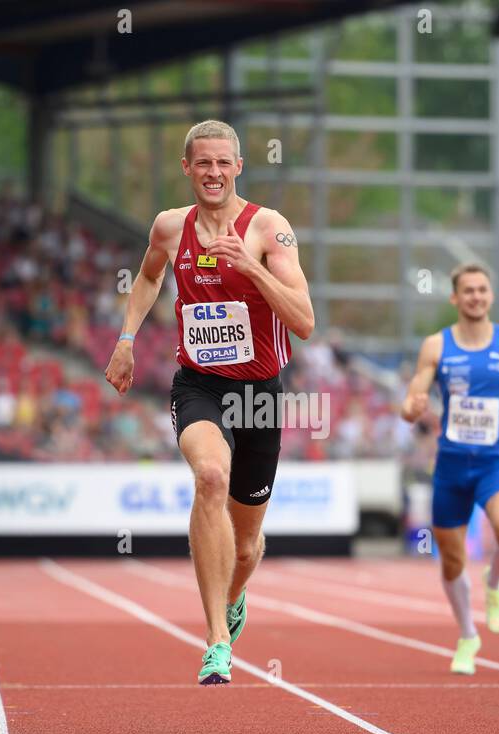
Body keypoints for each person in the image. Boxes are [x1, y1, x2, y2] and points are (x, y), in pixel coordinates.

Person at [104, 119, 314, 685]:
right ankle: (217, 638)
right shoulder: (170, 228)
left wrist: (251, 269)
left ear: (239, 167)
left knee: (246, 546)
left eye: (224, 163)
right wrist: (126, 339)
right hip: (199, 384)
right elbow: (148, 278)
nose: (214, 173)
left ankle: (235, 595)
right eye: (203, 163)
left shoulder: (270, 229)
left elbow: (305, 322)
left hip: (261, 397)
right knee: (210, 479)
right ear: (187, 168)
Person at [401, 263, 499, 675]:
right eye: (468, 291)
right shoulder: (436, 346)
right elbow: (414, 394)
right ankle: (468, 635)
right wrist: (410, 407)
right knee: (451, 562)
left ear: (491, 296)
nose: (476, 297)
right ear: (455, 298)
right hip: (450, 466)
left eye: (482, 290)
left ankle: (495, 582)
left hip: (497, 460)